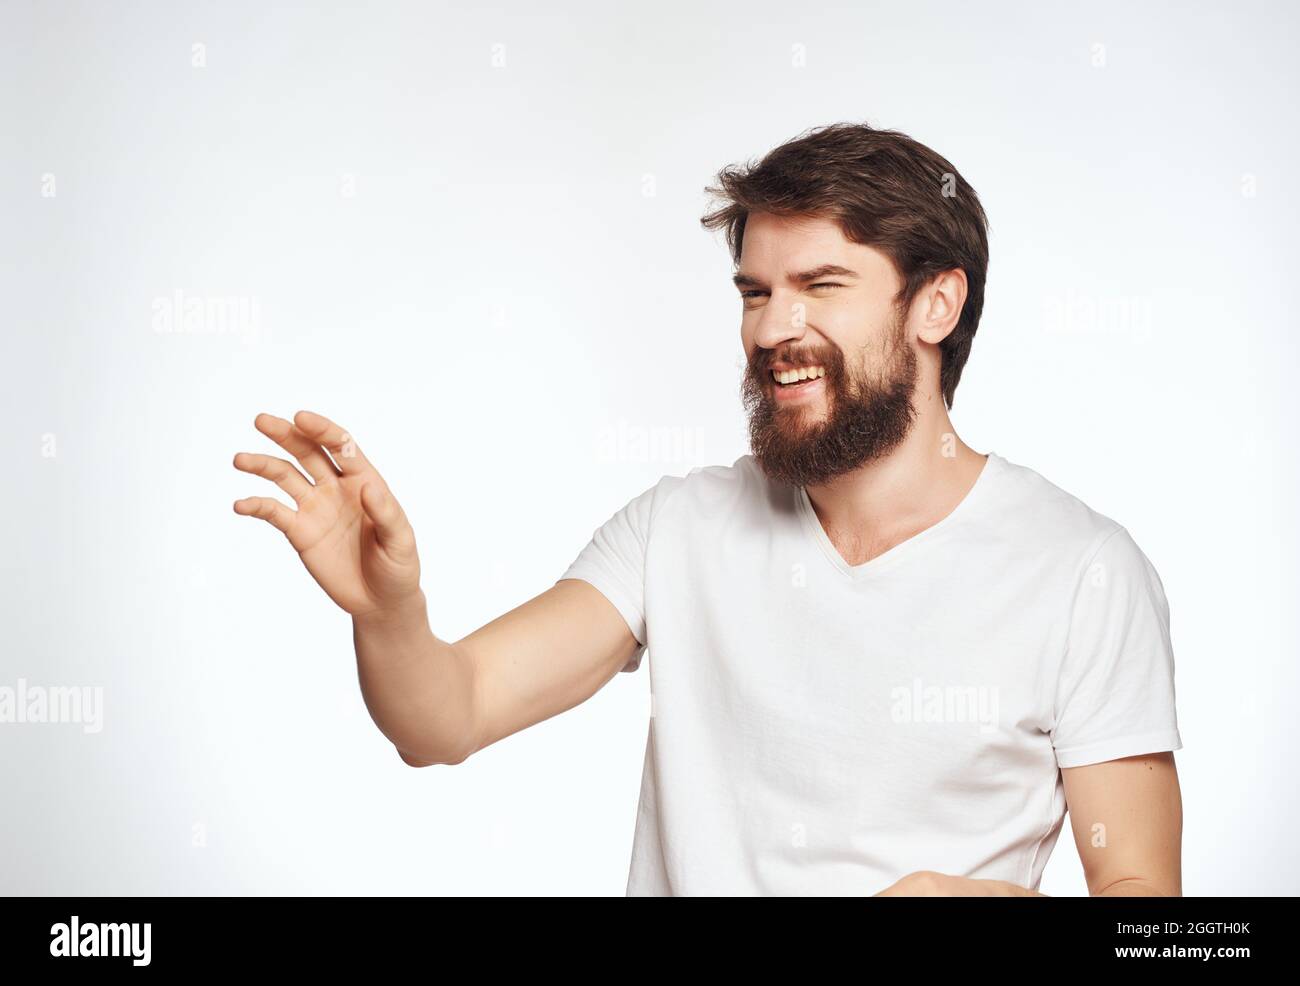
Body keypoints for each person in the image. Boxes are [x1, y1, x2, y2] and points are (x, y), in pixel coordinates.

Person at [232, 122, 1183, 897]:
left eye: (820, 287)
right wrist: (387, 613)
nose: (773, 329)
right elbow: (444, 717)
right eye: (756, 292)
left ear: (935, 306)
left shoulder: (1083, 573)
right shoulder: (675, 532)